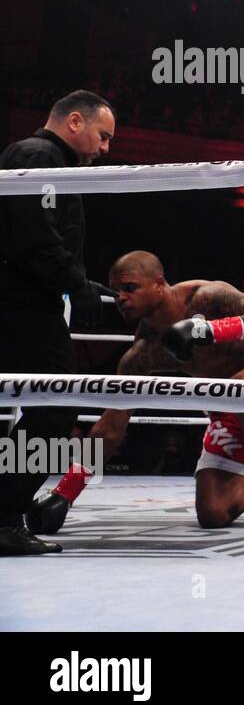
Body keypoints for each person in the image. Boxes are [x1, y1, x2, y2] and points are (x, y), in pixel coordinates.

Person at [26, 250, 244, 537]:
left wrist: (210, 330)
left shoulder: (206, 297)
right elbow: (112, 426)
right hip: (226, 409)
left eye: (130, 288)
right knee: (214, 513)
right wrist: (66, 492)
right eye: (115, 292)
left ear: (159, 283)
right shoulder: (143, 354)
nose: (121, 298)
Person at [0, 90, 116, 556]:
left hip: (27, 302)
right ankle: (5, 515)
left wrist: (84, 287)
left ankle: (5, 513)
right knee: (57, 403)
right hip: (22, 306)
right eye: (102, 135)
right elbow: (36, 241)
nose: (106, 148)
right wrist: (79, 287)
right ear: (74, 121)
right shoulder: (39, 155)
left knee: (49, 404)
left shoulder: (44, 159)